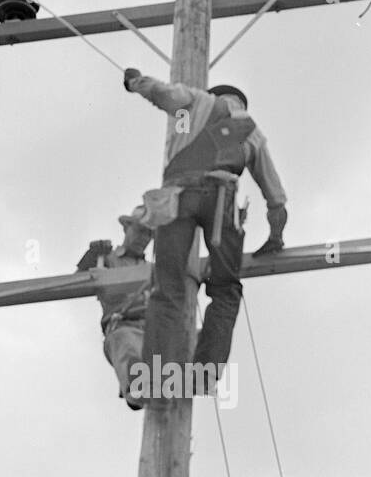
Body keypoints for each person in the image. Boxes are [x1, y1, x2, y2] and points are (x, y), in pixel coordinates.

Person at [122, 69, 288, 401]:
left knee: (167, 288)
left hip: (177, 202)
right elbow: (276, 198)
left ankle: (153, 378)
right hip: (222, 205)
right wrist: (275, 237)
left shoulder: (197, 101)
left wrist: (135, 82)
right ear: (240, 103)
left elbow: (162, 92)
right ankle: (203, 375)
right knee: (226, 290)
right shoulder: (251, 130)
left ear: (216, 95)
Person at [76, 210, 153, 411]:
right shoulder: (107, 259)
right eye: (140, 231)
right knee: (125, 343)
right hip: (124, 324)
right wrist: (90, 257)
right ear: (126, 228)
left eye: (149, 234)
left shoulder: (154, 268)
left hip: (155, 329)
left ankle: (187, 379)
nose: (144, 238)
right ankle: (138, 388)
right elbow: (76, 282)